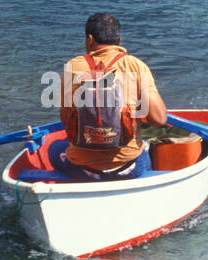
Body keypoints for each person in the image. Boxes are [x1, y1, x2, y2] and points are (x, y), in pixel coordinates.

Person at [51, 13, 166, 181]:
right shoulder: (135, 65)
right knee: (146, 146)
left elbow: (65, 120)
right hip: (129, 168)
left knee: (54, 148)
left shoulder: (73, 66)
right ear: (119, 40)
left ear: (89, 39)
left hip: (83, 169)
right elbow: (159, 119)